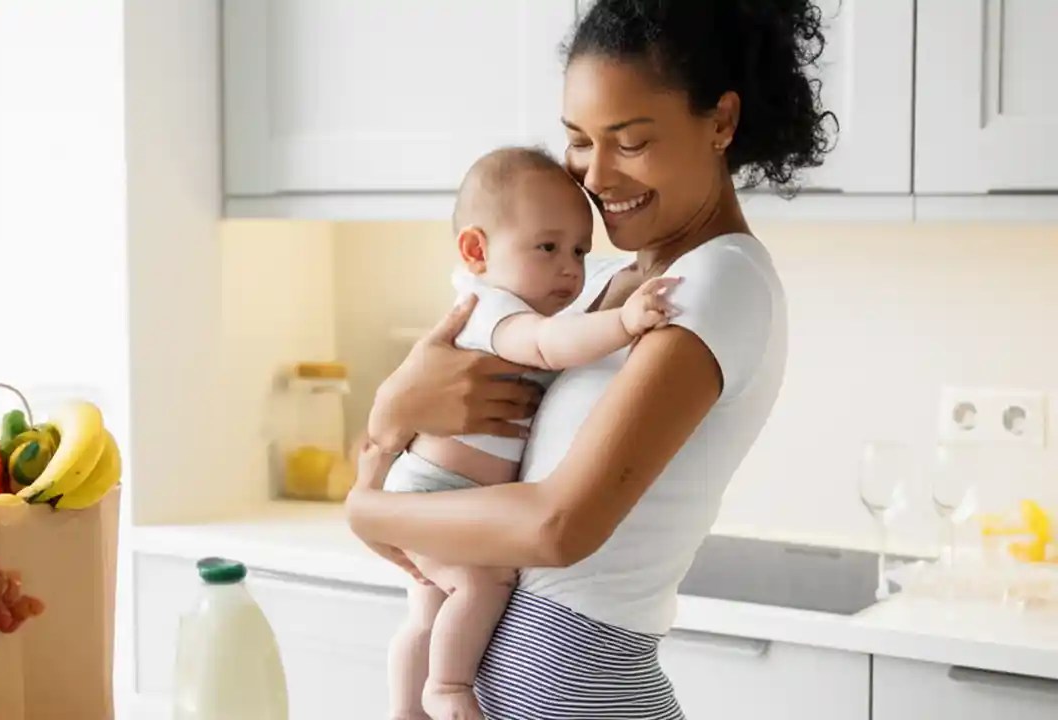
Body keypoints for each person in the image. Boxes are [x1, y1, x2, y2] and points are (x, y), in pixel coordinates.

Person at [347, 0, 834, 717]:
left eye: (630, 142)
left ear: (721, 123)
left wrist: (369, 511)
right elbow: (476, 389)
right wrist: (392, 412)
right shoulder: (601, 283)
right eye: (578, 139)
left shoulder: (717, 283)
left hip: (587, 694)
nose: (596, 175)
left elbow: (557, 527)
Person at [383, 144, 680, 720]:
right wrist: (623, 321)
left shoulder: (520, 301)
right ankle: (446, 688)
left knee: (426, 610)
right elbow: (544, 347)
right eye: (547, 247)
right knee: (483, 582)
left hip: (438, 493)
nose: (570, 268)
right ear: (476, 250)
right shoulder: (493, 309)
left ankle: (405, 711)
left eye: (579, 249)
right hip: (435, 492)